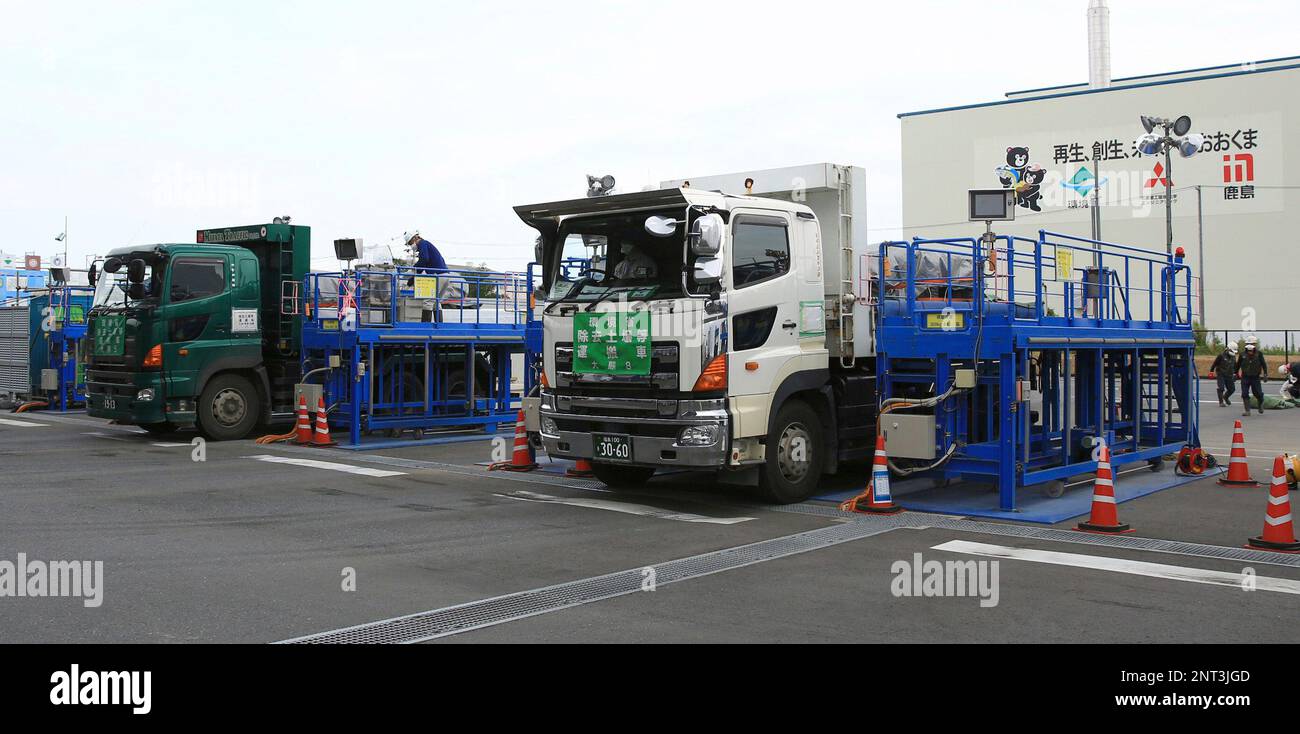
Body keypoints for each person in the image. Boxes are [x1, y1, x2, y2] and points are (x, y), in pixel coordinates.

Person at [1235, 336, 1268, 417]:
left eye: (1252, 343)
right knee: (1244, 393)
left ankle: (1260, 404)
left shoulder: (1259, 354)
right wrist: (1235, 373)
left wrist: (1265, 374)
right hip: (1245, 377)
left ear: (1255, 344)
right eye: (1249, 343)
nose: (1250, 345)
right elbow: (1238, 365)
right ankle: (1247, 410)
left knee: (1258, 393)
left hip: (1255, 377)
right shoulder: (1242, 354)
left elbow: (1263, 364)